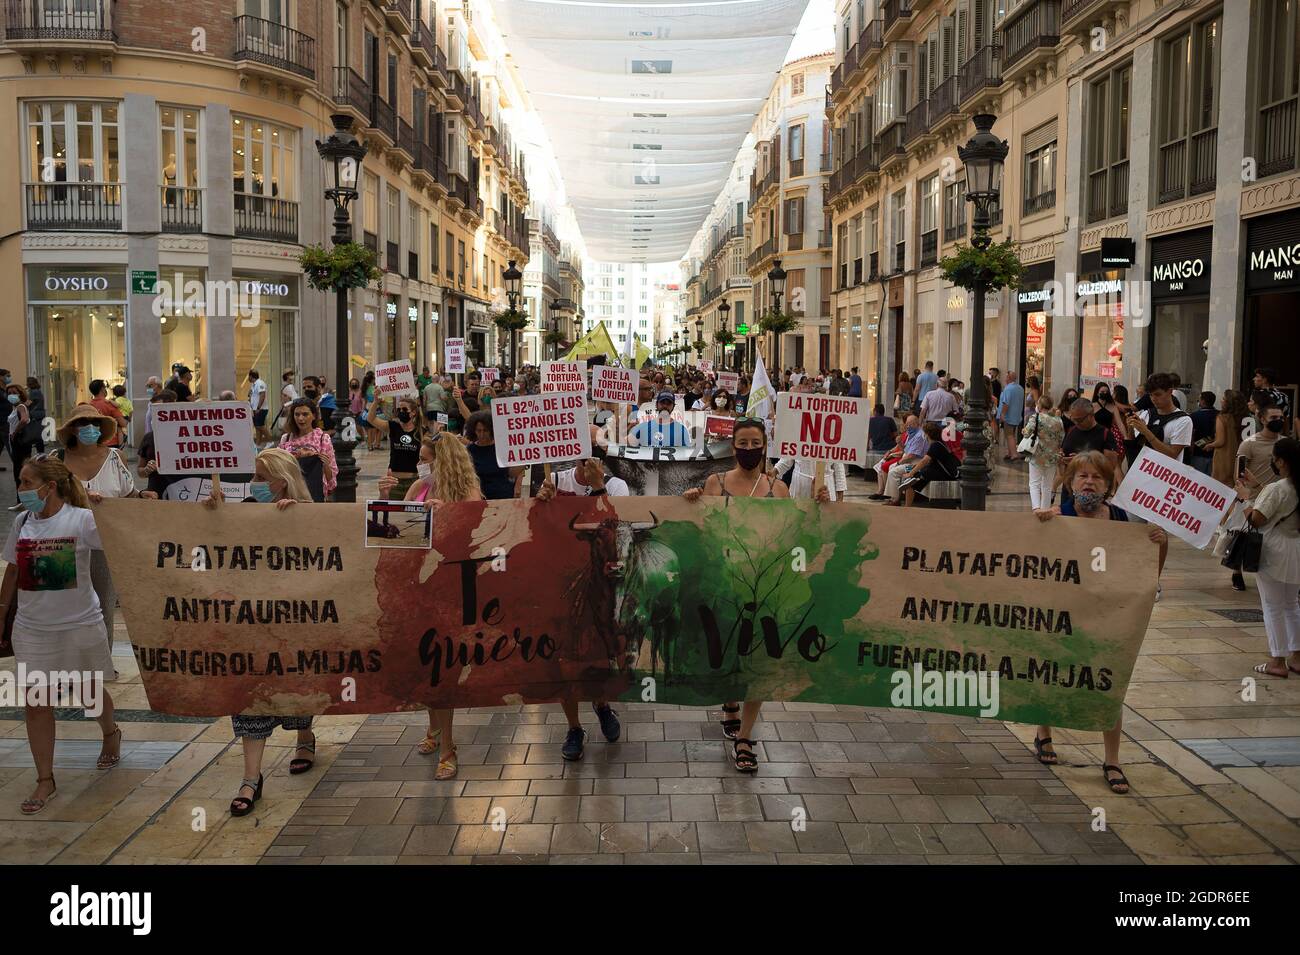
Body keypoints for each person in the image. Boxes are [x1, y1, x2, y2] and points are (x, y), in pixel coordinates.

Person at [1033, 452, 1165, 793]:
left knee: (1110, 682)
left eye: (1096, 477)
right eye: (1082, 476)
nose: (1089, 482)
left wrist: (1159, 546)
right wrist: (1037, 526)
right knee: (1051, 672)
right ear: (1070, 483)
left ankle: (1112, 759)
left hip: (1106, 616)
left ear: (1108, 486)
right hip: (1061, 613)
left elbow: (1146, 573)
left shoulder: (1122, 521)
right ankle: (1044, 731)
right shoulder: (1056, 517)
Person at [2, 457, 122, 814]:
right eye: (20, 482)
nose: (21, 489)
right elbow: (11, 569)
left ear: (49, 486)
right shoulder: (21, 522)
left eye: (26, 482)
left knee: (88, 693)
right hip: (32, 629)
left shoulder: (81, 520)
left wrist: (109, 509)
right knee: (36, 703)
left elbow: (123, 537)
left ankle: (110, 732)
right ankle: (45, 779)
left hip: (79, 625)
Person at [202, 449, 315, 816]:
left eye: (260, 477)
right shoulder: (248, 506)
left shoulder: (309, 511)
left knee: (299, 683)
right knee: (250, 691)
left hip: (294, 618)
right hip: (251, 620)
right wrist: (214, 512)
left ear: (280, 482)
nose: (253, 484)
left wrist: (293, 522)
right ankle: (251, 778)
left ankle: (304, 736)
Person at [683, 417, 792, 772]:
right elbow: (702, 530)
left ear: (765, 445)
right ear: (733, 447)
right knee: (727, 655)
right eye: (742, 444)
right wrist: (692, 501)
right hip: (724, 586)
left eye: (754, 443)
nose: (748, 450)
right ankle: (729, 701)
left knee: (757, 662)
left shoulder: (780, 490)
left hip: (765, 588)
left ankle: (745, 737)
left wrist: (823, 502)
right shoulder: (715, 484)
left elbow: (796, 531)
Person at [378, 433, 483, 777]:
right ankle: (433, 728)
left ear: (445, 461)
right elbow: (394, 533)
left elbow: (474, 540)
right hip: (416, 587)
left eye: (427, 459)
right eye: (421, 458)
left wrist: (449, 516)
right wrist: (383, 499)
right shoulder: (419, 488)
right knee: (425, 664)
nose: (422, 465)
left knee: (445, 666)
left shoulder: (468, 493)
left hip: (450, 589)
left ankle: (449, 745)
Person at [536, 458, 627, 760]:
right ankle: (574, 727)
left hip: (600, 588)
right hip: (560, 583)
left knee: (596, 652)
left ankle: (602, 706)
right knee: (565, 657)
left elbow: (616, 524)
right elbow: (539, 527)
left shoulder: (616, 485)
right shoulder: (556, 481)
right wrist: (541, 500)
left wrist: (599, 486)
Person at [54, 404, 141, 660]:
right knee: (64, 605)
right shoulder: (56, 461)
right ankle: (67, 661)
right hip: (63, 544)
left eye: (93, 423)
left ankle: (101, 661)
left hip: (105, 543)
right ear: (72, 429)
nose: (88, 428)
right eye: (82, 424)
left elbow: (129, 495)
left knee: (103, 605)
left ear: (101, 428)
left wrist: (145, 495)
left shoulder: (116, 458)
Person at [1235, 438, 1300, 679]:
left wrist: (1245, 497)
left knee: (1272, 606)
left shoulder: (1277, 489)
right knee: (1291, 604)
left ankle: (1277, 660)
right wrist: (1257, 487)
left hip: (1274, 550)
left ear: (1281, 461)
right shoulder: (1291, 486)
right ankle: (1297, 656)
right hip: (1296, 548)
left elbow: (1257, 519)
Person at [1058, 398, 1123, 506]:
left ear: (1091, 415)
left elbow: (1111, 466)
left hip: (1092, 491)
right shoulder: (1071, 430)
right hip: (1069, 491)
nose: (1076, 423)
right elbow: (1062, 470)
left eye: (1079, 420)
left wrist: (1082, 461)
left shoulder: (1105, 434)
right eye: (1073, 419)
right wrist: (1060, 461)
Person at [278, 397, 339, 501]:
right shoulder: (286, 438)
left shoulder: (323, 439)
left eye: (305, 414)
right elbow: (278, 469)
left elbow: (332, 479)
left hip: (315, 495)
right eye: (297, 414)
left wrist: (325, 464)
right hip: (290, 496)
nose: (301, 418)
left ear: (314, 416)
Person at [1126, 373, 1192, 466]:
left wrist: (1146, 431)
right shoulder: (1147, 414)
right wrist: (1130, 428)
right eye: (1150, 395)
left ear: (1170, 391)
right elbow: (1135, 445)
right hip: (1141, 470)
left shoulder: (1183, 420)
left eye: (1158, 394)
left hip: (1165, 474)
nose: (1153, 399)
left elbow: (1173, 454)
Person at [368, 391, 424, 500]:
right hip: (394, 481)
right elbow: (371, 419)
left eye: (404, 409)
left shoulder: (420, 432)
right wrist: (376, 401)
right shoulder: (393, 427)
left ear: (413, 413)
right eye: (399, 409)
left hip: (413, 482)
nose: (401, 412)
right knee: (393, 513)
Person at [898, 421, 961, 507]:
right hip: (937, 472)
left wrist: (911, 473)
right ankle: (905, 500)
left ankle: (907, 506)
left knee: (910, 482)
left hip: (942, 475)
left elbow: (925, 460)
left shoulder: (936, 445)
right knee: (911, 478)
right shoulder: (939, 444)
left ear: (928, 434)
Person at [461, 409, 520, 499]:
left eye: (485, 430)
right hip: (479, 497)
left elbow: (512, 473)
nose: (481, 434)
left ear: (492, 430)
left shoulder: (502, 448)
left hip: (503, 495)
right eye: (478, 430)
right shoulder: (470, 450)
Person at [1023, 395, 1065, 512]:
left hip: (1037, 455)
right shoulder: (1058, 420)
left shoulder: (1035, 417)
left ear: (1039, 406)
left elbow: (1026, 433)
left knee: (1034, 483)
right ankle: (1045, 508)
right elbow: (1062, 438)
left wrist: (1024, 430)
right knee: (1047, 485)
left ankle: (1036, 508)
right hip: (1052, 456)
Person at [878, 414, 930, 503]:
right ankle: (895, 496)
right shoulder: (911, 434)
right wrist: (900, 443)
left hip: (915, 464)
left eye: (910, 424)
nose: (908, 427)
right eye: (907, 424)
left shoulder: (919, 436)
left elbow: (912, 455)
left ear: (916, 424)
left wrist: (899, 462)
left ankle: (895, 499)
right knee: (891, 467)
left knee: (894, 471)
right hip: (909, 461)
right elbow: (905, 450)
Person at [1208, 389, 1248, 488]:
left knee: (1221, 489)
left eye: (1223, 399)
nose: (1221, 401)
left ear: (1228, 403)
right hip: (1241, 458)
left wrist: (1210, 444)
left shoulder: (1222, 418)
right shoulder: (1246, 418)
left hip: (1224, 457)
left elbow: (1221, 441)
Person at [6, 381, 39, 487]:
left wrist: (15, 432)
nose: (11, 395)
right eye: (9, 393)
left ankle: (22, 494)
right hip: (17, 439)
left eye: (14, 392)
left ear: (20, 393)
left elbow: (24, 420)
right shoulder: (17, 407)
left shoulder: (20, 406)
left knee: (19, 467)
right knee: (19, 466)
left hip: (19, 439)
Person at [87, 379, 127, 448]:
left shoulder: (89, 406)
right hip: (111, 442)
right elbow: (123, 423)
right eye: (104, 387)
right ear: (102, 389)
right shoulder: (109, 404)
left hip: (95, 441)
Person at [997, 371, 1026, 462]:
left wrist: (1002, 414)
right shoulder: (1020, 388)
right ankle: (1010, 453)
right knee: (1011, 434)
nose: (1005, 379)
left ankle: (1013, 454)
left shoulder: (1008, 389)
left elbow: (1006, 402)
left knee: (1009, 435)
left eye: (1006, 377)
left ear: (1009, 378)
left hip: (1009, 416)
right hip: (1016, 415)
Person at [1189, 391, 1218, 476]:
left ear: (1203, 401)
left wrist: (1191, 450)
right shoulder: (1220, 415)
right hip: (1215, 454)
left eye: (1199, 399)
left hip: (1198, 453)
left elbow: (1192, 435)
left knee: (1198, 478)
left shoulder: (1194, 416)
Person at [247, 368, 270, 446]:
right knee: (257, 427)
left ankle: (270, 441)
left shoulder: (260, 383)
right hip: (255, 409)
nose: (248, 378)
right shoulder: (254, 385)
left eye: (248, 376)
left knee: (260, 426)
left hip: (261, 409)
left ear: (251, 376)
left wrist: (258, 408)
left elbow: (262, 395)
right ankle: (258, 443)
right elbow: (252, 397)